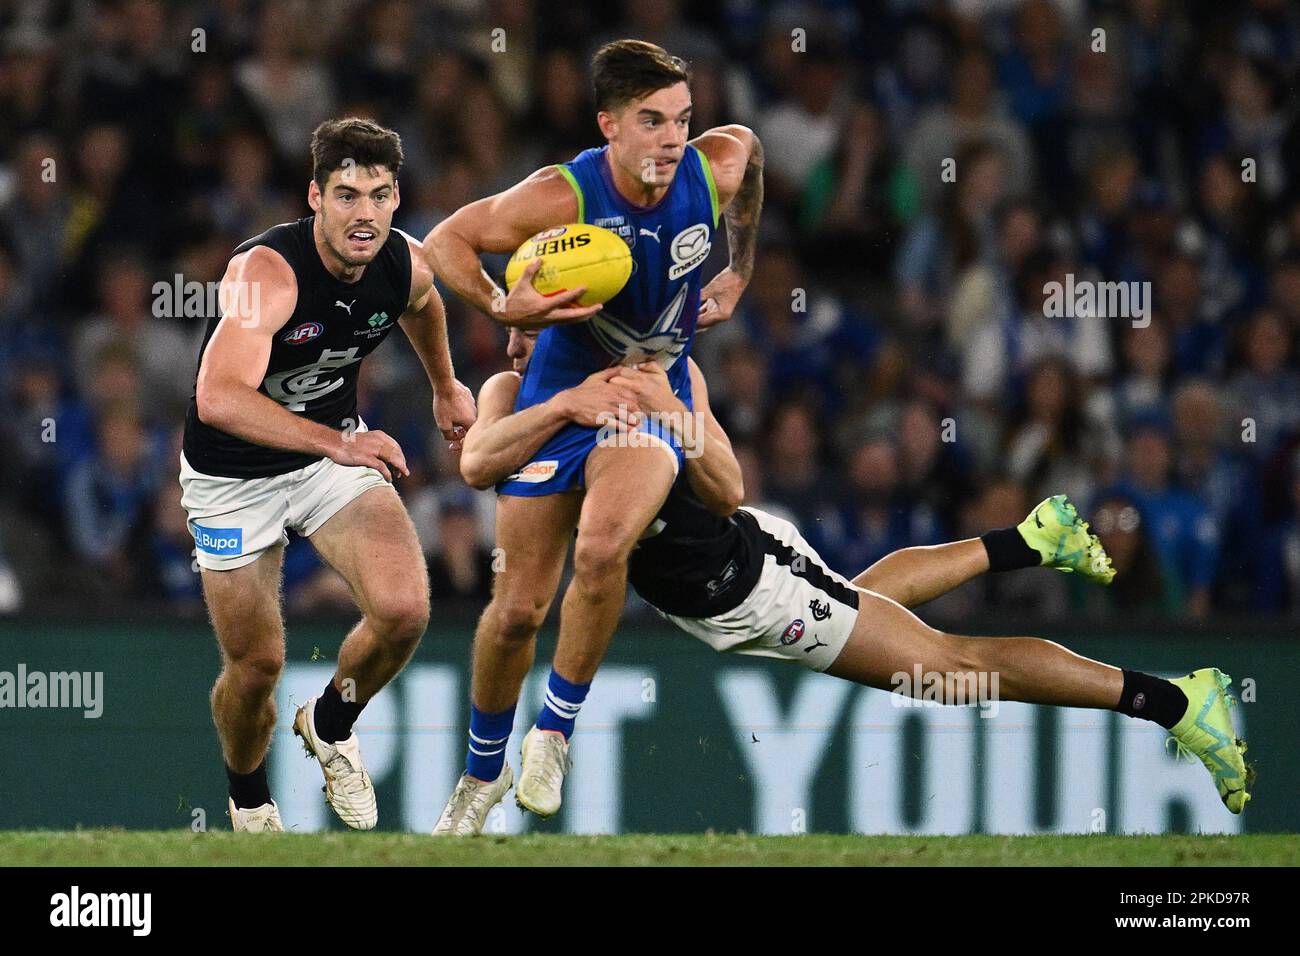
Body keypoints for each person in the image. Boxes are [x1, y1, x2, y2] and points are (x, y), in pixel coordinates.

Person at [433, 328, 1252, 833]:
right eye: (509, 325)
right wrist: (562, 402)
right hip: (732, 578)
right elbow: (478, 461)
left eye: (529, 329)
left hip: (752, 589)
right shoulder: (529, 392)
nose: (509, 344)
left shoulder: (654, 383)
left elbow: (727, 479)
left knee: (947, 672)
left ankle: (1175, 702)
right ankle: (1030, 538)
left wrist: (668, 411)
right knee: (866, 599)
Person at [425, 39, 764, 820]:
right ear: (608, 124)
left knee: (605, 545)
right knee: (516, 613)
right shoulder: (560, 196)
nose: (672, 138)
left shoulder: (712, 167)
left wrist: (739, 267)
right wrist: (500, 306)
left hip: (649, 391)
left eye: (681, 118)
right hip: (563, 386)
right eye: (651, 121)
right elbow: (447, 239)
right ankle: (482, 776)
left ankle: (554, 729)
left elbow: (748, 154)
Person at [179, 118, 476, 832]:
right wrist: (336, 444)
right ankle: (250, 801)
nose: (363, 214)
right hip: (232, 478)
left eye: (377, 195)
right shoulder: (265, 274)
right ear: (314, 197)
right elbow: (217, 398)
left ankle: (333, 721)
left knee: (404, 609)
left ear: (396, 198)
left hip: (326, 457)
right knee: (256, 670)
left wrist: (445, 385)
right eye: (346, 195)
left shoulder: (405, 263)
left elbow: (427, 305)